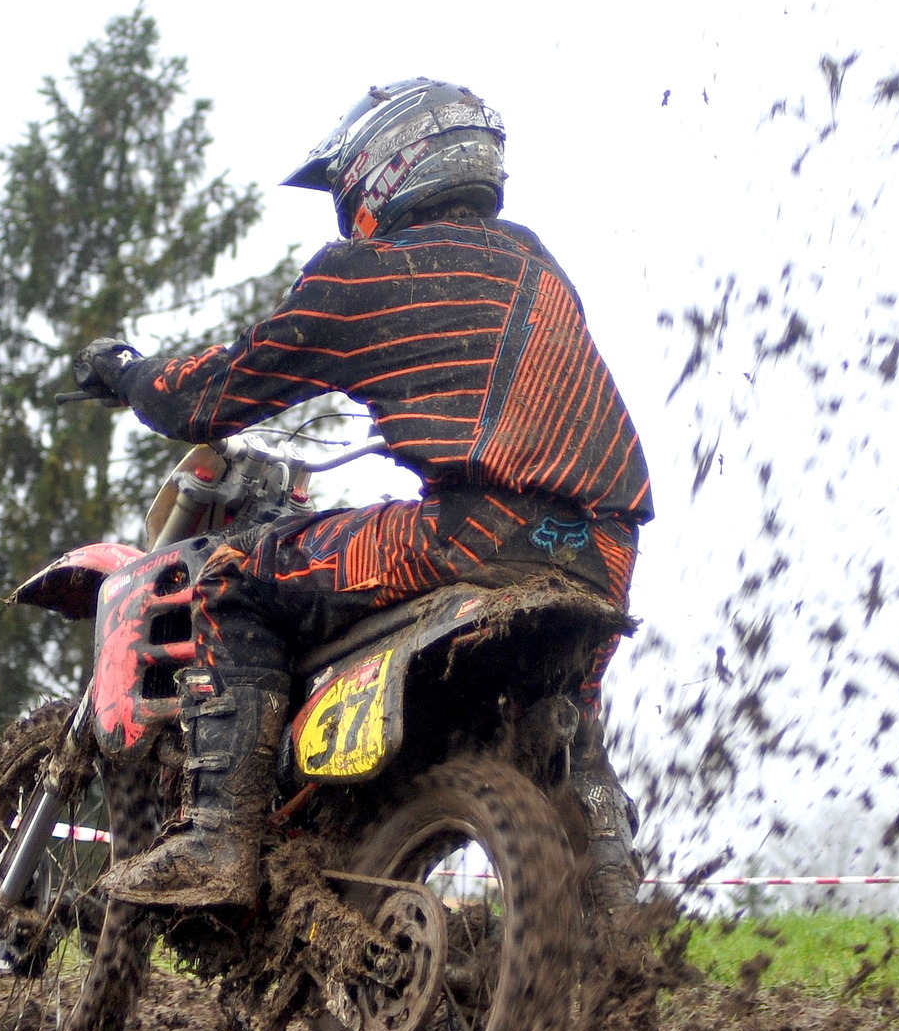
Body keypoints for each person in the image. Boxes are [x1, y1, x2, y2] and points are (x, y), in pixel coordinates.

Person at [73, 79, 653, 911]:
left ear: (383, 169)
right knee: (563, 717)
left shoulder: (362, 275)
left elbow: (211, 393)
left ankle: (216, 841)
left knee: (234, 574)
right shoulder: (537, 264)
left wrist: (130, 375)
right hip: (603, 555)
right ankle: (610, 891)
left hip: (476, 536)